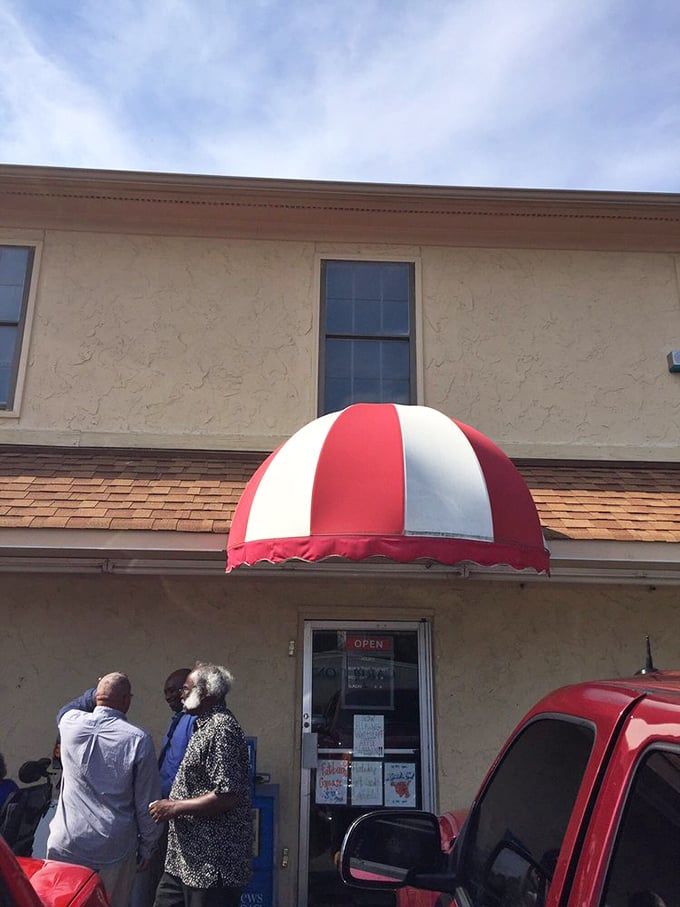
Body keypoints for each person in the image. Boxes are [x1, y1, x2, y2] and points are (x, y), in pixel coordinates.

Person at [47, 673, 162, 907]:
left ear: (97, 697)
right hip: (114, 847)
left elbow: (68, 708)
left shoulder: (70, 723)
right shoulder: (138, 740)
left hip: (67, 842)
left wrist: (96, 690)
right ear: (125, 700)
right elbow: (147, 802)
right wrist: (148, 847)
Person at [149, 662, 253, 907]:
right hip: (183, 860)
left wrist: (173, 808)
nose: (180, 694)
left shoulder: (221, 729)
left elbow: (227, 795)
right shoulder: (200, 726)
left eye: (186, 688)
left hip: (211, 864)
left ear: (205, 694)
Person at [132, 668, 197, 907]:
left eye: (173, 690)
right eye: (165, 692)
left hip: (179, 813)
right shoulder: (177, 721)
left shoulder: (194, 720)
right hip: (162, 812)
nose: (168, 696)